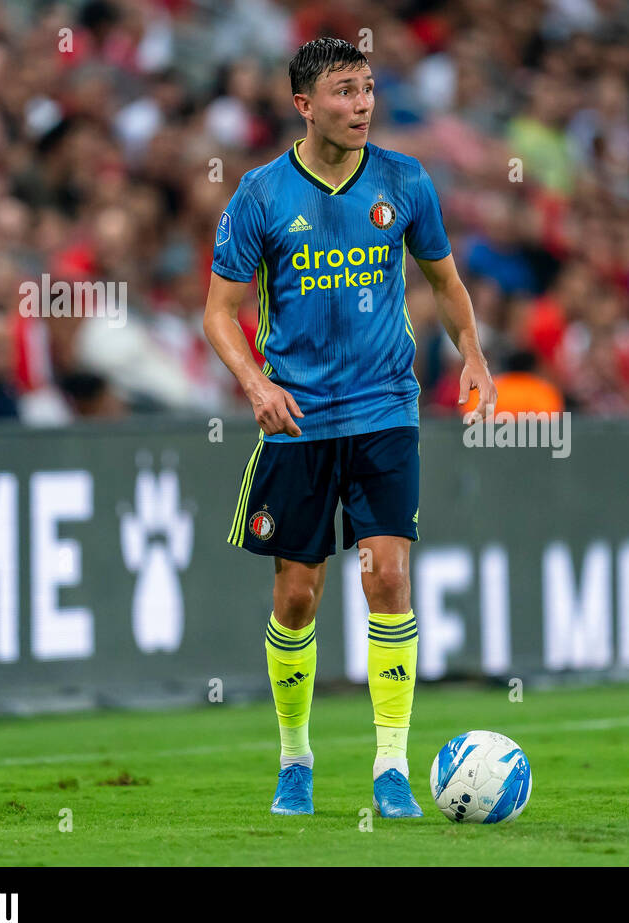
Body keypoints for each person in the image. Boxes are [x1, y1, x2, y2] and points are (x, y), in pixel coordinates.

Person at [202, 38, 497, 818]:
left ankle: (391, 766)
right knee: (297, 597)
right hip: (297, 419)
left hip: (384, 409)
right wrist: (255, 382)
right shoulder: (262, 196)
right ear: (304, 105)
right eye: (344, 91)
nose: (362, 104)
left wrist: (471, 351)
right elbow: (218, 313)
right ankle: (295, 757)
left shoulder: (405, 181)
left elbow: (445, 279)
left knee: (389, 576)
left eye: (367, 88)